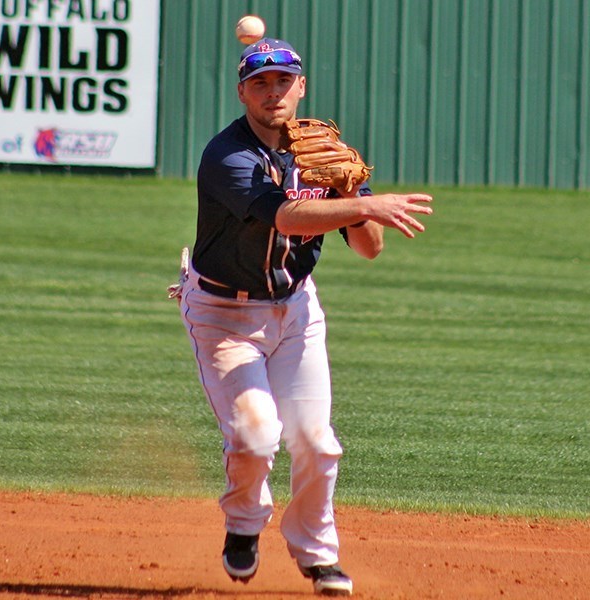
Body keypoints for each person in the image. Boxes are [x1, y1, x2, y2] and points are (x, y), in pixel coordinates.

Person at [174, 37, 432, 597]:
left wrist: (350, 192)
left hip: (295, 310)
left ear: (302, 87)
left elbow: (369, 249)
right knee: (255, 432)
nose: (273, 93)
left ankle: (319, 558)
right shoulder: (228, 156)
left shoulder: (321, 150)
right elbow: (286, 219)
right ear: (242, 91)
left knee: (316, 441)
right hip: (224, 315)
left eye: (283, 81)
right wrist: (367, 202)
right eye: (260, 83)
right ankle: (244, 524)